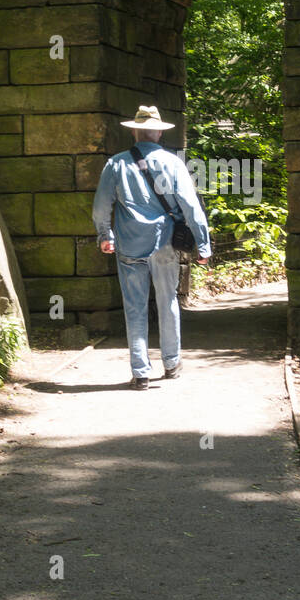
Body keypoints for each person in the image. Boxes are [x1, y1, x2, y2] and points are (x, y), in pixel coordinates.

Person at [92, 105, 212, 390]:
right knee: (168, 301)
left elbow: (101, 207)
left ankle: (141, 372)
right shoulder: (172, 163)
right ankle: (171, 363)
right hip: (164, 244)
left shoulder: (116, 164)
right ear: (158, 132)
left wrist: (104, 235)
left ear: (134, 131)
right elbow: (191, 206)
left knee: (134, 307)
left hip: (129, 245)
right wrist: (203, 244)